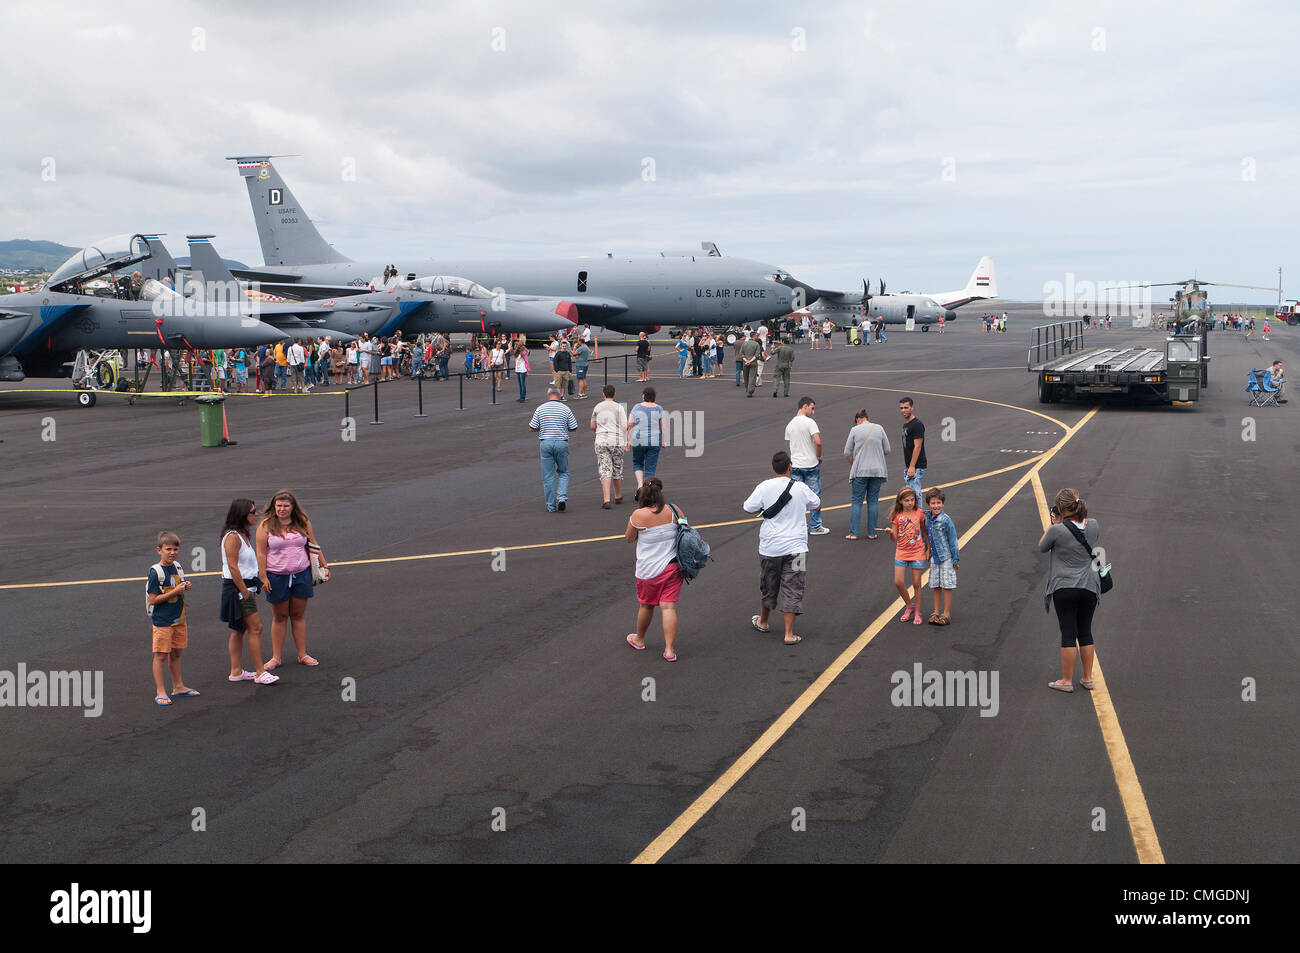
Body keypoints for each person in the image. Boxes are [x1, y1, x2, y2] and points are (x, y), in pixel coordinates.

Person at [742, 450, 820, 645]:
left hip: (770, 547)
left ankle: (764, 621)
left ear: (772, 468)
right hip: (798, 548)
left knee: (769, 584)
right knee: (794, 586)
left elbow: (748, 507)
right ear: (790, 467)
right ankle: (789, 633)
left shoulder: (764, 486)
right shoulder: (800, 487)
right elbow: (816, 503)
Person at [1038, 488, 1101, 693]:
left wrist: (1055, 523)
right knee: (1085, 632)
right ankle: (1088, 678)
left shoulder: (1057, 530)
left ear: (1061, 508)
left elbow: (1042, 546)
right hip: (1089, 586)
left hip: (1064, 586)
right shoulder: (1093, 525)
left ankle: (1066, 680)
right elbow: (1087, 532)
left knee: (1068, 633)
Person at [256, 490, 326, 669]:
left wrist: (324, 565)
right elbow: (261, 552)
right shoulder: (265, 525)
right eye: (278, 505)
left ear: (292, 507)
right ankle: (276, 657)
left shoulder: (302, 522)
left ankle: (302, 654)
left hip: (301, 574)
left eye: (286, 505)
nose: (282, 509)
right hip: (276, 576)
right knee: (279, 616)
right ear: (274, 506)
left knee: (297, 615)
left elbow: (313, 544)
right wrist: (263, 577)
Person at [219, 499, 279, 685]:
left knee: (239, 629)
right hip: (239, 590)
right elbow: (233, 567)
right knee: (256, 628)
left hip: (244, 588)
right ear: (242, 514)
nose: (256, 514)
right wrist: (244, 591)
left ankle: (236, 671)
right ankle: (261, 672)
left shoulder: (242, 535)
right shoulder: (233, 537)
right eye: (253, 512)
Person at [624, 478, 683, 661]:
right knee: (668, 607)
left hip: (648, 570)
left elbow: (629, 538)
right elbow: (685, 527)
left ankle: (640, 639)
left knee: (646, 605)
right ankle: (669, 650)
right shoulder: (674, 510)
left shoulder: (638, 515)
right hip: (672, 566)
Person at [148, 531, 197, 706]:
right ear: (159, 550)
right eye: (168, 549)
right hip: (163, 621)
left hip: (179, 619)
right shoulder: (156, 572)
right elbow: (153, 600)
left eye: (175, 549)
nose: (172, 552)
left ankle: (178, 686)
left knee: (176, 653)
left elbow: (178, 585)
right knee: (161, 655)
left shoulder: (177, 566)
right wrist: (176, 591)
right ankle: (160, 691)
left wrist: (186, 586)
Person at [529, 387, 579, 511]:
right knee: (563, 472)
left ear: (548, 395)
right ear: (559, 395)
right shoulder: (565, 409)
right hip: (562, 442)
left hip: (545, 443)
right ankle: (561, 497)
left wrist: (543, 428)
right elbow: (574, 427)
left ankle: (551, 505)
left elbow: (532, 427)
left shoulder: (540, 408)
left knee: (548, 476)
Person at [843, 408, 890, 540]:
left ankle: (853, 533)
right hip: (878, 470)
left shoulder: (854, 430)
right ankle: (872, 533)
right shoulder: (879, 428)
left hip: (860, 470)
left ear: (858, 419)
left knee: (857, 501)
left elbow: (847, 452)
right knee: (873, 501)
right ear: (867, 418)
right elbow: (887, 449)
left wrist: (854, 461)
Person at [885, 487, 928, 626]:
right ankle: (909, 606)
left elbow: (925, 531)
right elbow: (894, 538)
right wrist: (890, 532)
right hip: (902, 551)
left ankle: (918, 612)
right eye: (907, 500)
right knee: (898, 582)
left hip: (918, 551)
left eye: (912, 500)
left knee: (916, 583)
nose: (910, 503)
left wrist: (928, 549)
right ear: (900, 502)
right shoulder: (896, 516)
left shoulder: (919, 513)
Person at [785, 396, 827, 535]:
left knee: (797, 496)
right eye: (812, 408)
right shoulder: (810, 423)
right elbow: (818, 442)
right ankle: (815, 526)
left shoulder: (790, 424)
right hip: (810, 464)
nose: (813, 412)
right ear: (805, 406)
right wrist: (819, 456)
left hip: (796, 465)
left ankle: (798, 526)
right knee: (814, 496)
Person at [923, 488, 959, 624]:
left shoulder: (946, 520)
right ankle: (936, 612)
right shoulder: (927, 518)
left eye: (938, 503)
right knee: (935, 585)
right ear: (928, 504)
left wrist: (955, 559)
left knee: (947, 585)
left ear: (943, 504)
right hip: (934, 558)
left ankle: (946, 613)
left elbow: (953, 540)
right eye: (933, 503)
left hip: (946, 558)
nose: (936, 506)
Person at [591, 384, 629, 507]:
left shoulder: (597, 407)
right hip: (617, 440)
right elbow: (625, 425)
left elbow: (592, 426)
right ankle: (617, 495)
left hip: (602, 440)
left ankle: (606, 499)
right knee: (617, 467)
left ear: (603, 394)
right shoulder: (619, 408)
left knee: (605, 468)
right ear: (614, 394)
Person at [627, 386, 666, 489]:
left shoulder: (637, 407)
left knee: (637, 463)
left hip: (638, 439)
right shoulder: (659, 408)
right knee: (650, 468)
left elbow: (630, 424)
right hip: (654, 440)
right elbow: (663, 426)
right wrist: (663, 441)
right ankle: (647, 488)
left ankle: (640, 485)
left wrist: (628, 440)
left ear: (644, 396)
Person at [899, 396, 927, 494]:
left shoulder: (917, 424)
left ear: (912, 408)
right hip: (910, 466)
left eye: (906, 407)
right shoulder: (906, 424)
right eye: (901, 408)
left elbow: (918, 446)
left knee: (915, 494)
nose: (903, 410)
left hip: (916, 466)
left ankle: (918, 510)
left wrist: (912, 466)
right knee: (911, 494)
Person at [740, 332, 762, 396]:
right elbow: (756, 355)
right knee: (752, 377)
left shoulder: (745, 343)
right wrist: (750, 361)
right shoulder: (756, 344)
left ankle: (747, 388)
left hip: (745, 363)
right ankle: (750, 391)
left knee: (746, 377)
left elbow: (741, 353)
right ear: (754, 336)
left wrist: (746, 360)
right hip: (753, 363)